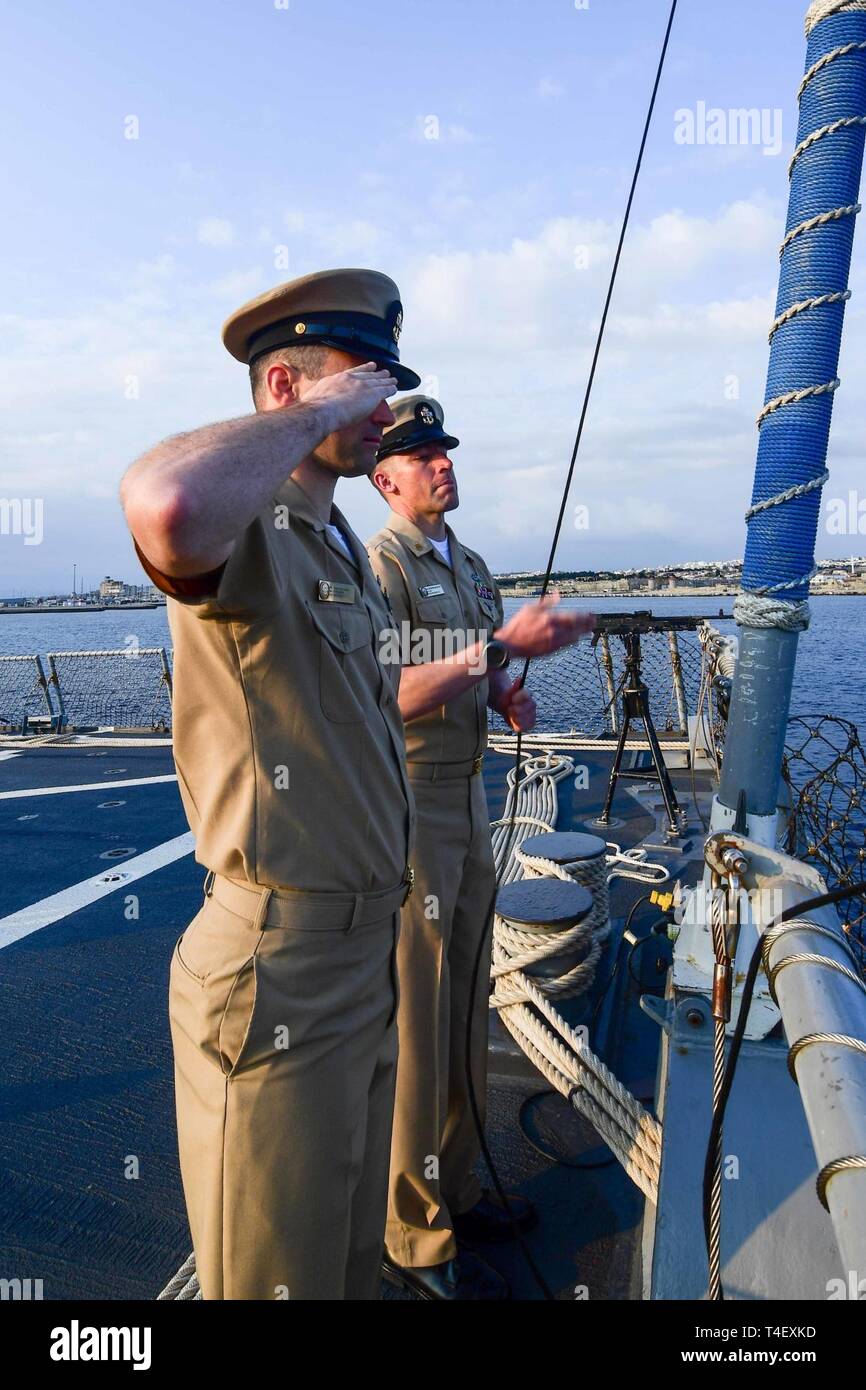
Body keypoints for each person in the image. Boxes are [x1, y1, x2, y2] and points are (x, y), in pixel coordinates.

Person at [119, 268, 424, 1301]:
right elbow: (165, 503)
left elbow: (362, 705)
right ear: (288, 389)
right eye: (363, 380)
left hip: (360, 957)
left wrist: (493, 657)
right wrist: (321, 413)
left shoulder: (332, 540)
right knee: (272, 1279)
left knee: (343, 1264)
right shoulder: (248, 528)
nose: (381, 406)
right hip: (278, 967)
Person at [367, 395, 594, 1299]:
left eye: (444, 450)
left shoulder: (473, 567)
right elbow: (386, 693)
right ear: (384, 478)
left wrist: (506, 694)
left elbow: (481, 670)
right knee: (418, 1021)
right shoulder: (381, 563)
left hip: (470, 794)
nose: (440, 464)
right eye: (420, 455)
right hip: (416, 806)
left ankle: (454, 1192)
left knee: (466, 1002)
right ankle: (413, 1231)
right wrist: (495, 646)